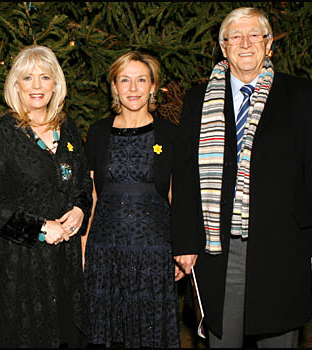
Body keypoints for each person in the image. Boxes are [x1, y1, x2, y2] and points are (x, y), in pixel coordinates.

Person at [172, 7, 312, 348]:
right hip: (217, 250)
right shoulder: (199, 99)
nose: (245, 44)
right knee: (223, 340)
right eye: (235, 36)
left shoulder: (300, 95)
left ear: (269, 44)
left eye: (254, 36)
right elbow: (185, 174)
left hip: (283, 246)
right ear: (223, 47)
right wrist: (186, 241)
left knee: (278, 337)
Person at [0, 45, 92, 348]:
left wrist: (80, 209)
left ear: (57, 83)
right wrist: (41, 227)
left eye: (45, 77)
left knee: (68, 332)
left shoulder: (67, 128)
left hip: (65, 258)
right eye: (28, 78)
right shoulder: (2, 134)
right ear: (16, 85)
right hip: (23, 260)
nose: (37, 86)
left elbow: (82, 183)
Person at [83, 51, 181, 348]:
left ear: (153, 86)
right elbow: (92, 193)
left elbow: (176, 196)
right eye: (125, 80)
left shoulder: (170, 134)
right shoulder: (98, 132)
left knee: (149, 332)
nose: (133, 88)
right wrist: (84, 243)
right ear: (114, 86)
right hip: (105, 251)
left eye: (141, 80)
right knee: (108, 332)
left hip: (153, 252)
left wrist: (181, 247)